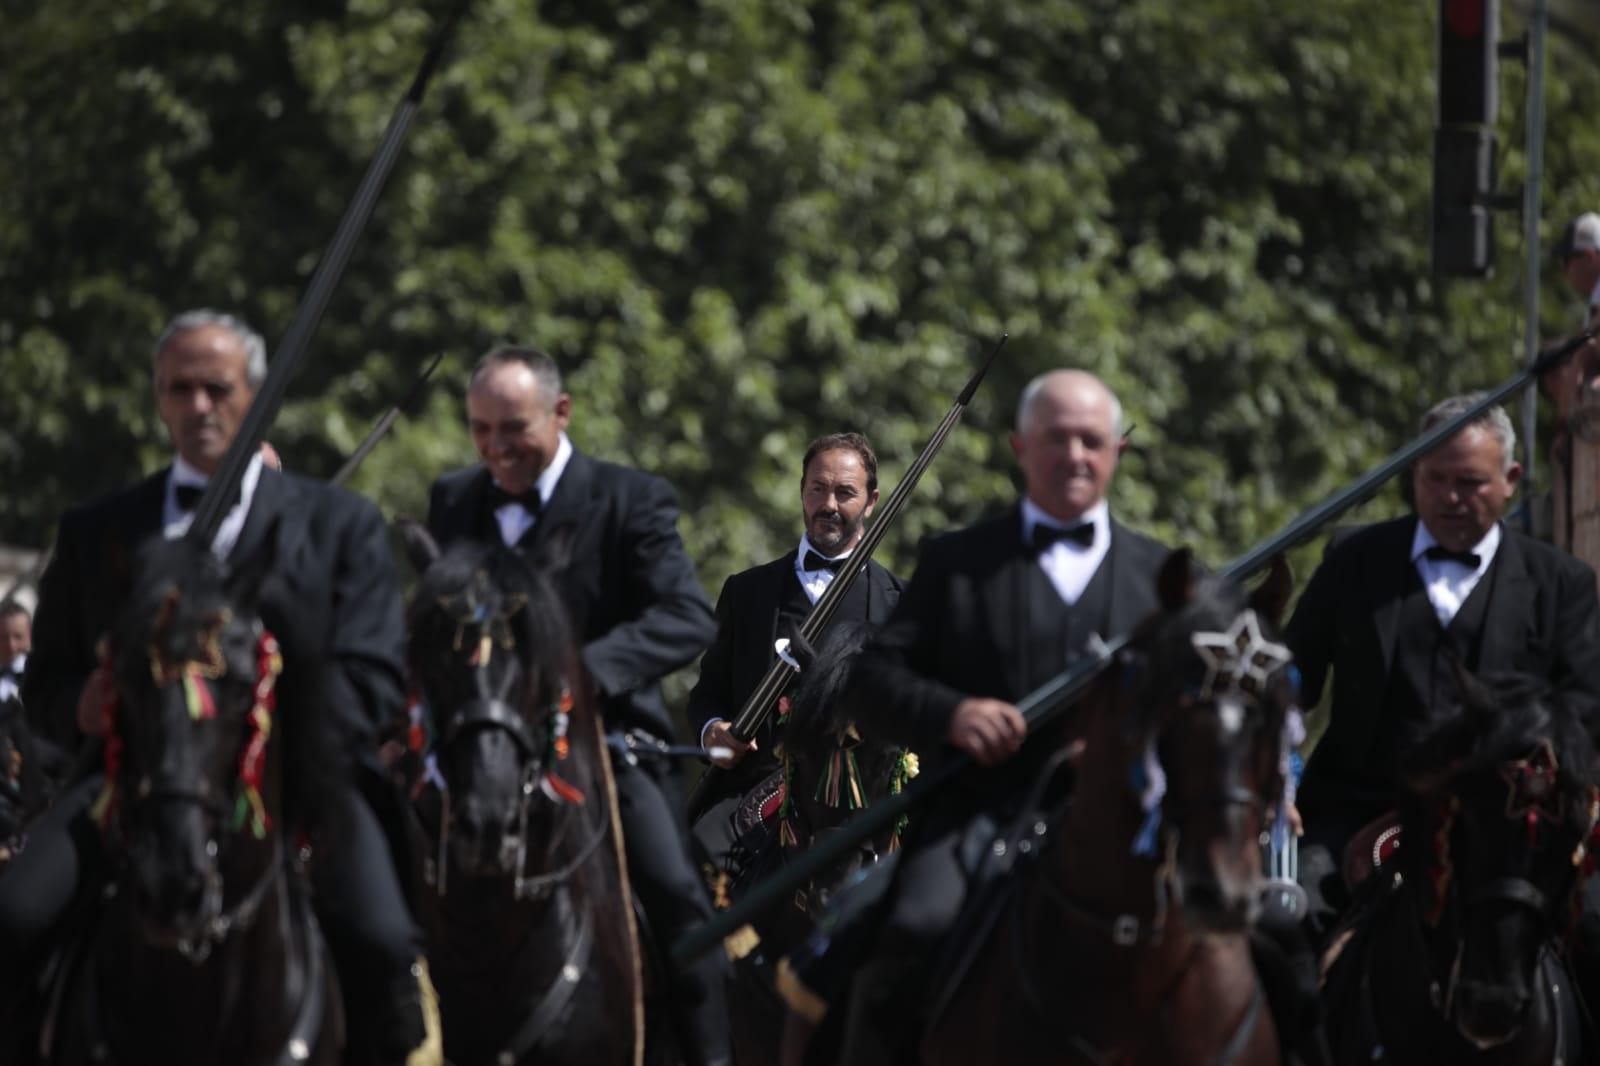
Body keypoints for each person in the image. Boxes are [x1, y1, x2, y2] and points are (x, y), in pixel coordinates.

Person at [6, 309, 435, 1066]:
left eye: (217, 388)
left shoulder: (338, 524)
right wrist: (84, 704)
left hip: (301, 781)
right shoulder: (100, 530)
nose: (199, 406)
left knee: (380, 939)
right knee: (13, 916)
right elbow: (44, 686)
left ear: (256, 394)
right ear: (159, 399)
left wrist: (273, 705)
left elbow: (373, 679)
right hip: (129, 781)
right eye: (180, 389)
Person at [831, 369, 1171, 1064]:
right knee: (905, 937)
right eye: (1055, 439)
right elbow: (870, 682)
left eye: (1089, 440)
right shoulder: (957, 561)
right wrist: (952, 714)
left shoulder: (1163, 579)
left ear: (1116, 453)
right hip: (977, 819)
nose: (1073, 455)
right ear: (1020, 447)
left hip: (1128, 832)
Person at [426, 346, 729, 1066]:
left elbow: (687, 617)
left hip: (606, 747)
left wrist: (575, 671)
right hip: (481, 746)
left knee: (681, 904)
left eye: (514, 428)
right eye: (480, 429)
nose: (496, 449)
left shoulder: (632, 498)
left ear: (561, 413)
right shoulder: (453, 499)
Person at [1287, 394, 1600, 931]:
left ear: (1511, 478)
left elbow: (1584, 715)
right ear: (1413, 474)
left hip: (1509, 824)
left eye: (1471, 482)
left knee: (1592, 932)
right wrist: (1276, 775)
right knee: (1284, 922)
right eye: (1435, 479)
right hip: (1353, 810)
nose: (1451, 498)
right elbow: (1290, 684)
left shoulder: (1563, 584)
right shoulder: (1352, 561)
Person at [686, 431, 903, 870]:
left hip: (862, 801)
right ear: (802, 491)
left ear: (872, 500)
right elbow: (708, 691)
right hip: (757, 792)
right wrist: (712, 730)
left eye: (845, 493)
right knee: (687, 873)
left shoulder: (902, 603)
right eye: (817, 489)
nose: (829, 505)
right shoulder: (746, 591)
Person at [0, 602, 29, 704]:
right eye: (4, 637)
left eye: (18, 637)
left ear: (29, 636)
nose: (11, 645)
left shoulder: (40, 674)